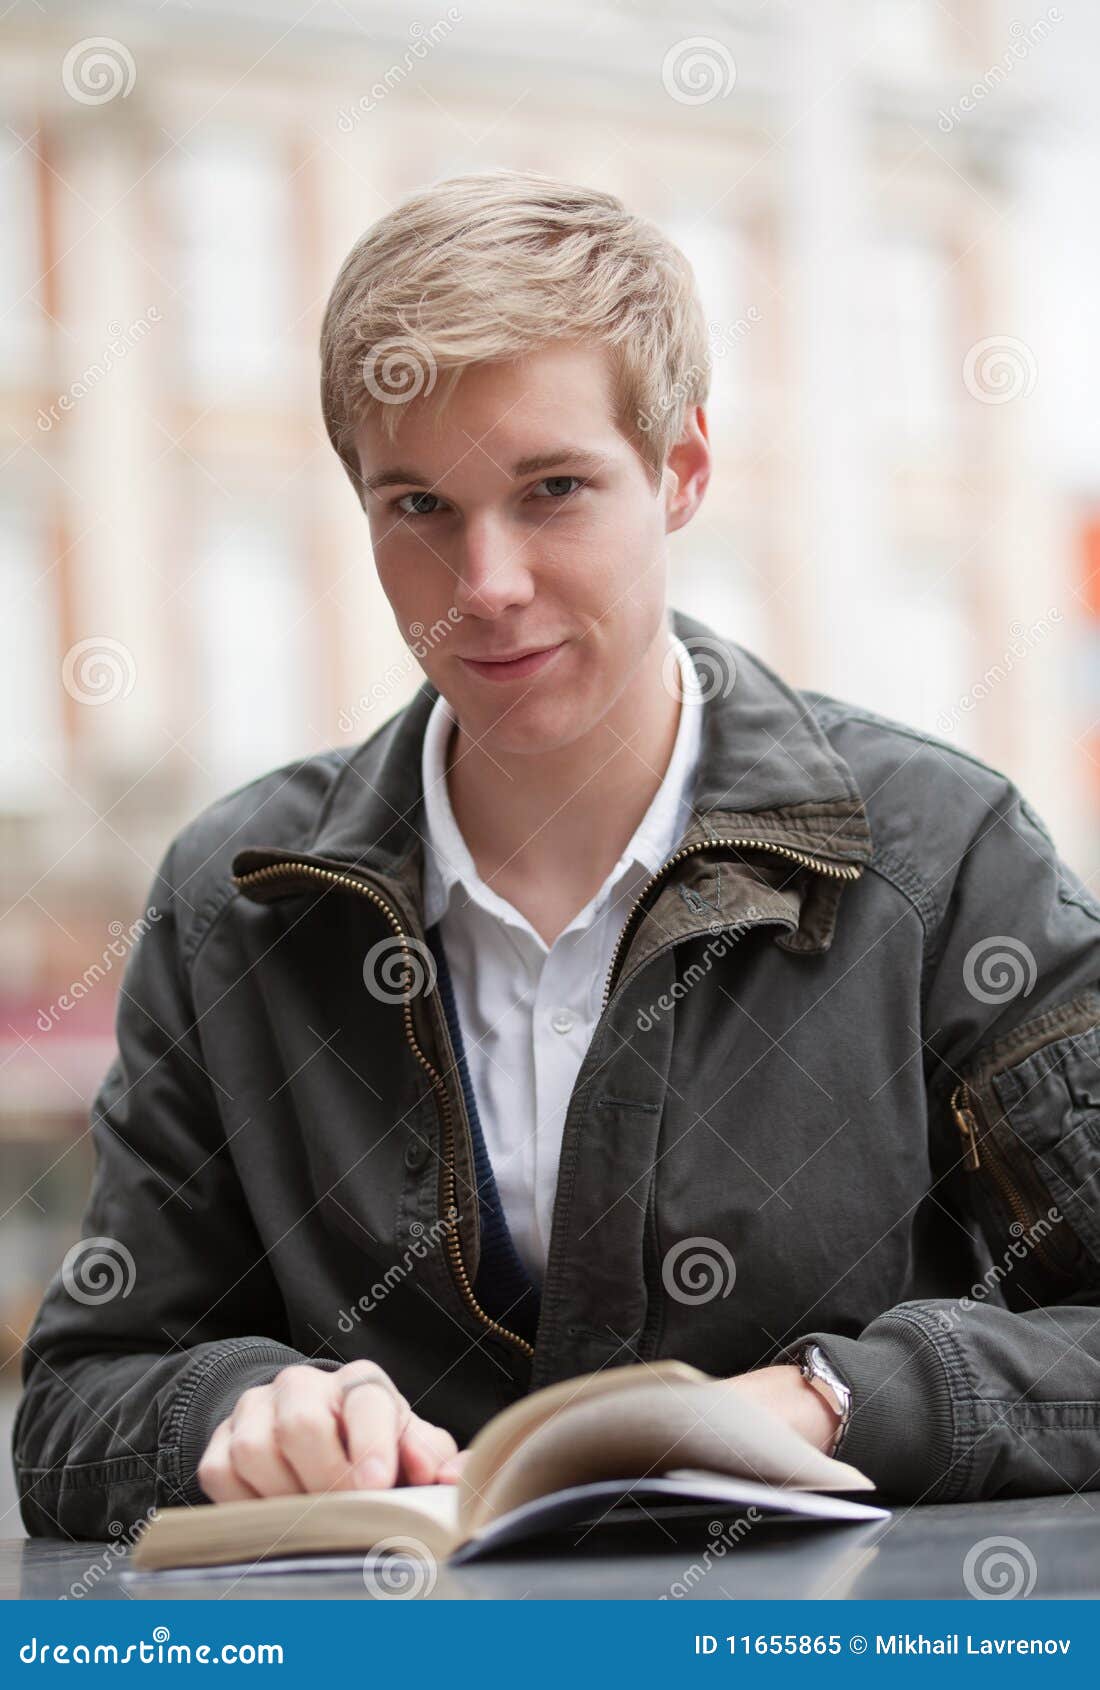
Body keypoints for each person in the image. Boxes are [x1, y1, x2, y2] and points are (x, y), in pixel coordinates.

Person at [13, 169, 1100, 1542]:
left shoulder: (945, 860)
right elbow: (75, 1401)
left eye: (554, 489)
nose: (487, 584)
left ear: (684, 471)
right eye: (418, 508)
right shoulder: (232, 899)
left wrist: (830, 1401)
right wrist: (238, 1407)